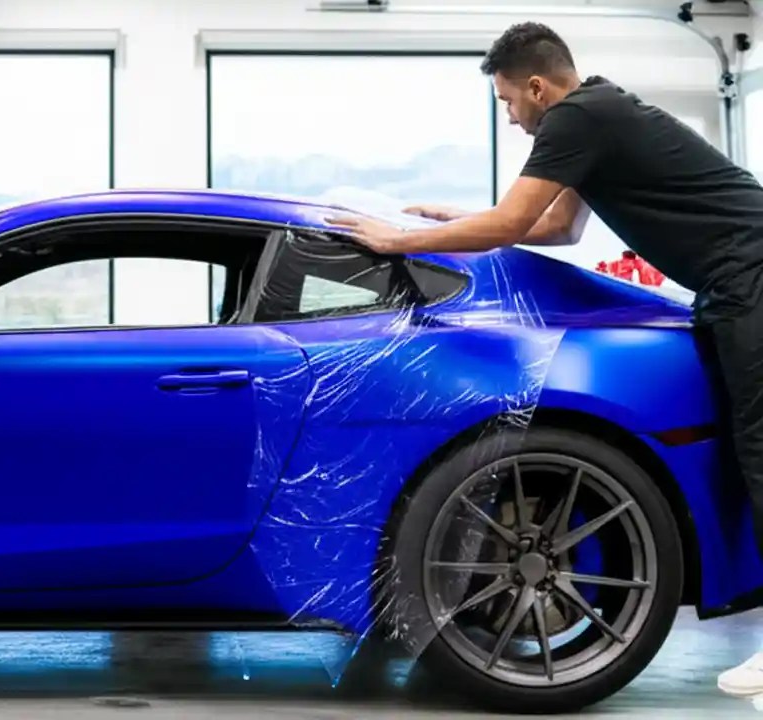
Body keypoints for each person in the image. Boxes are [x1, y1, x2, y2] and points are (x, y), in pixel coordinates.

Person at [326, 21, 763, 697]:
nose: (512, 118)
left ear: (536, 86)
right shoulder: (601, 113)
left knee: (761, 451)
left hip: (753, 277)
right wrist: (453, 220)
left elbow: (511, 223)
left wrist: (402, 240)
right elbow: (556, 226)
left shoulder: (578, 117)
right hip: (736, 279)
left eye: (508, 102)